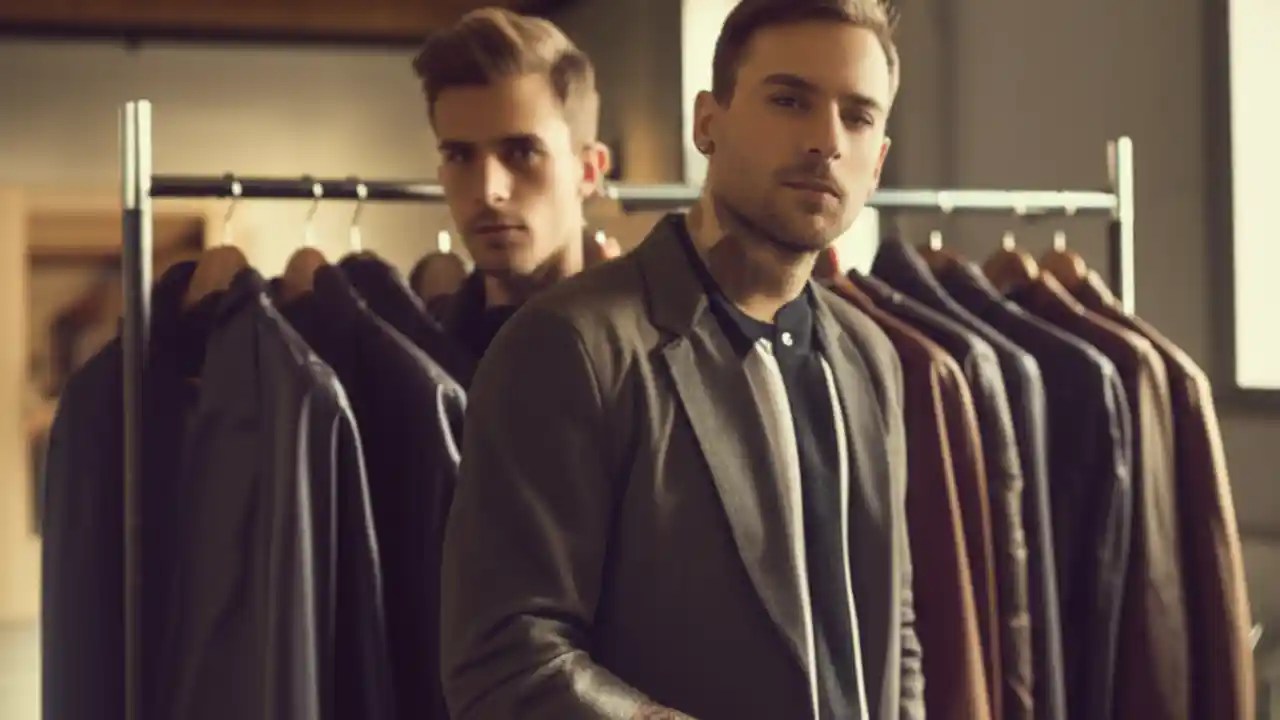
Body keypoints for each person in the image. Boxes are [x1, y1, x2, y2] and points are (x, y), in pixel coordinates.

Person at [440, 0, 923, 718]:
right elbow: (506, 659)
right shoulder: (570, 345)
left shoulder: (870, 357)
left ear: (877, 160)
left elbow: (893, 627)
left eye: (857, 116)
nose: (826, 140)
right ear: (707, 122)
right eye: (789, 100)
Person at [412, 9, 612, 362]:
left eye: (522, 153)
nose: (489, 190)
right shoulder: (423, 359)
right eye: (460, 156)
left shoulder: (653, 347)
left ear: (587, 171)